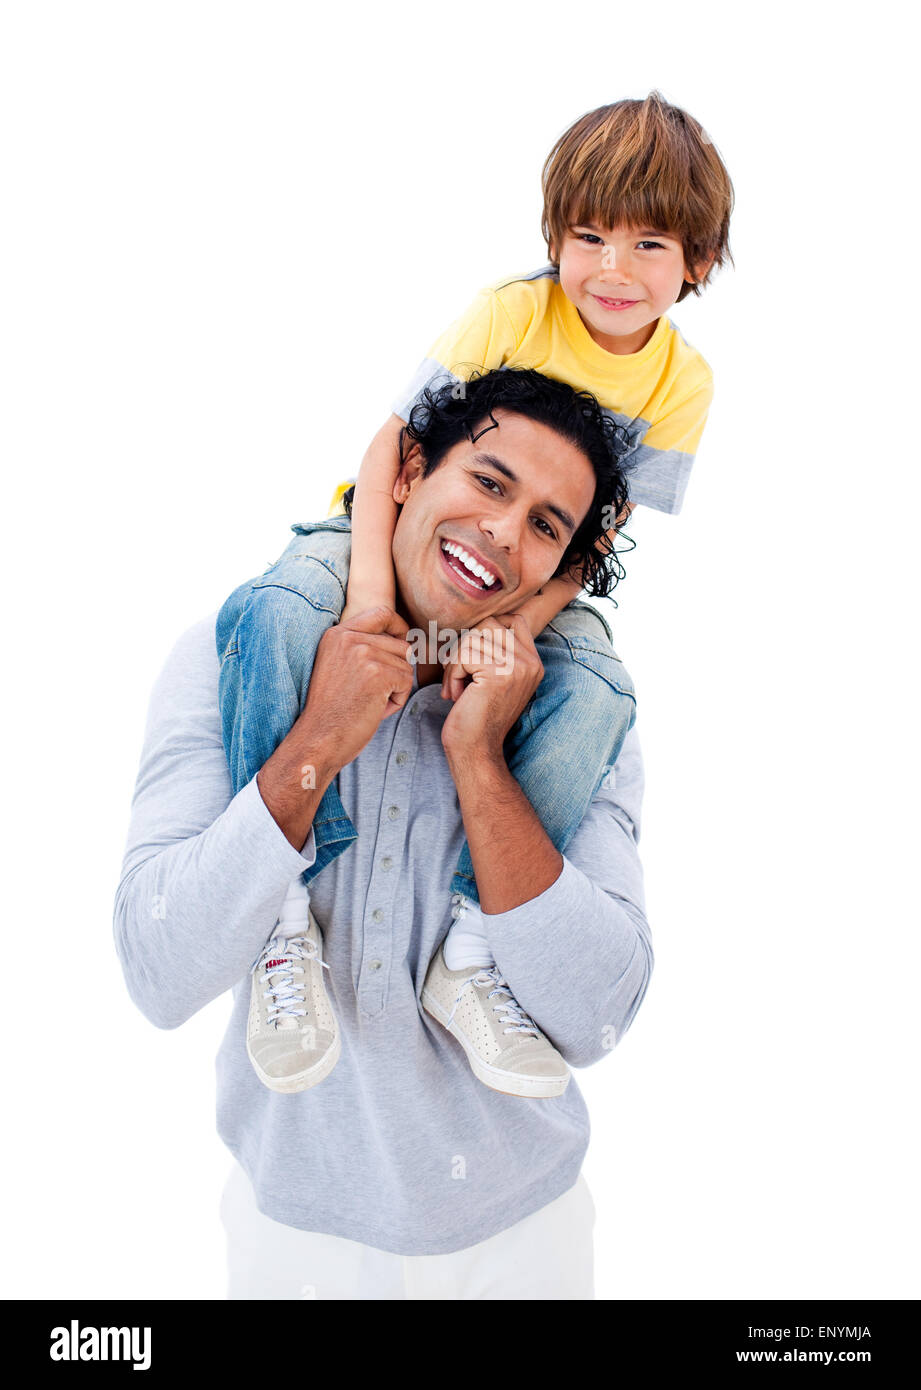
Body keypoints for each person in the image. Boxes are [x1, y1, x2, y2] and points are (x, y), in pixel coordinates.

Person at [215, 91, 732, 1097]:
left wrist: (514, 627)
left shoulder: (684, 383)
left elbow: (601, 532)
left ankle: (471, 943)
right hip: (385, 534)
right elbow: (392, 448)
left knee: (594, 693)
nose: (613, 270)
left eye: (649, 245)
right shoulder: (512, 312)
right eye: (588, 237)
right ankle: (277, 914)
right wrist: (370, 596)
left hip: (530, 579)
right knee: (280, 610)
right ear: (553, 236)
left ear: (697, 263)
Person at [113, 369, 652, 1298]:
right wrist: (320, 736)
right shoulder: (240, 653)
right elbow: (160, 973)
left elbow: (600, 1008)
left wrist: (480, 757)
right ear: (406, 473)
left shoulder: (572, 709)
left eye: (543, 525)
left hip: (524, 1241)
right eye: (488, 483)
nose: (501, 533)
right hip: (293, 1239)